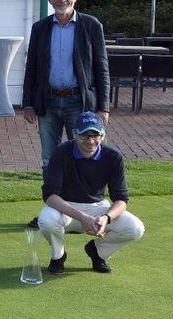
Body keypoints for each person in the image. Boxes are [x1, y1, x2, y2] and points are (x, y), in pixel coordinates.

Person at [22, 0, 110, 227]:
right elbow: (32, 67)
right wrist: (27, 102)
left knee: (80, 156)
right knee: (50, 158)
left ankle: (80, 213)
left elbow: (101, 67)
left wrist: (103, 105)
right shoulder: (40, 28)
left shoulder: (91, 25)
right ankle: (50, 214)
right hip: (47, 102)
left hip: (79, 102)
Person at [36, 112, 144, 275]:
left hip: (97, 208)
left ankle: (97, 252)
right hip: (66, 209)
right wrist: (82, 218)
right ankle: (58, 256)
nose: (90, 140)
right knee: (46, 219)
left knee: (135, 228)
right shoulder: (61, 152)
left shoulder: (113, 158)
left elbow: (121, 199)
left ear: (103, 135)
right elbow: (50, 196)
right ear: (74, 134)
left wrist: (106, 218)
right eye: (85, 135)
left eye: (95, 135)